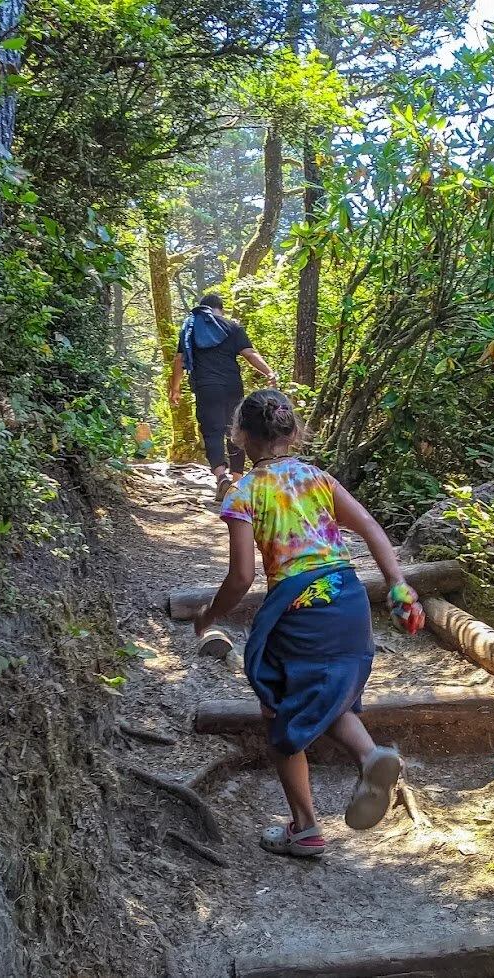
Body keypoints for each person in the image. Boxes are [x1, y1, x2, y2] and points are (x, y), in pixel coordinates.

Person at [193, 389, 425, 858]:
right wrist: (399, 586)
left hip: (301, 608)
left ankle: (305, 828)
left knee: (278, 708)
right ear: (292, 431)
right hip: (348, 598)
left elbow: (241, 577)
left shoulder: (243, 491)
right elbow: (372, 529)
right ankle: (369, 756)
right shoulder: (319, 478)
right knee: (324, 689)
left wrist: (209, 615)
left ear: (239, 435)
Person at [169, 293, 278, 501]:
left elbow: (179, 359)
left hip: (206, 387)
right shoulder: (232, 327)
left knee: (212, 432)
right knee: (235, 430)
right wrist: (269, 372)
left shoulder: (191, 329)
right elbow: (249, 353)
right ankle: (237, 482)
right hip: (232, 387)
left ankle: (221, 477)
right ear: (221, 309)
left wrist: (175, 388)